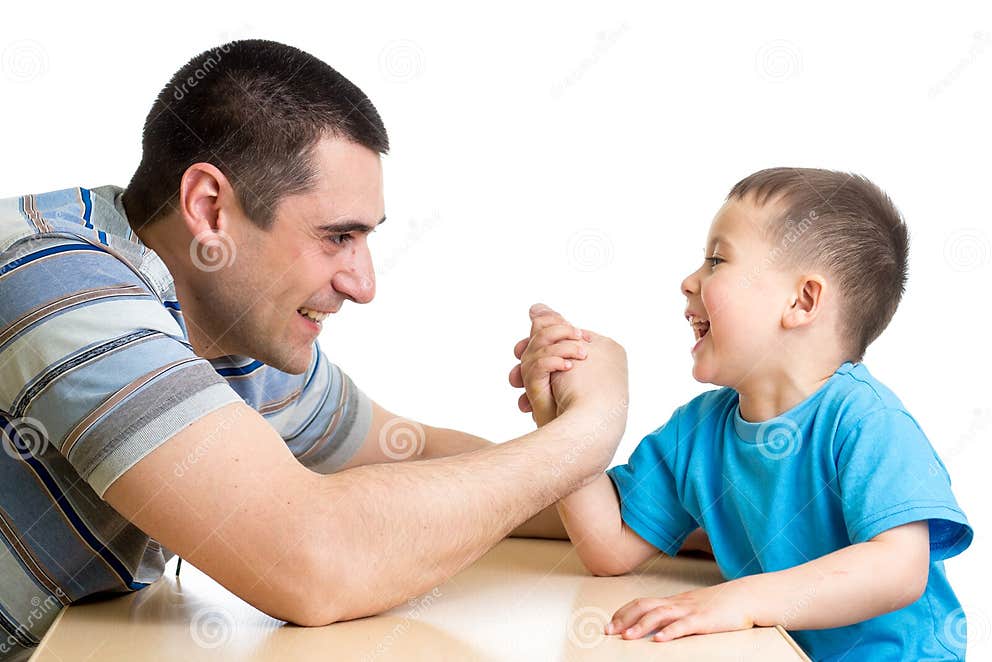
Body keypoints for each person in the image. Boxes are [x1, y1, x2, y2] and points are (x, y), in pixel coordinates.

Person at [0, 39, 644, 660]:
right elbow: (313, 560)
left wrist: (698, 518)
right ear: (209, 208)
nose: (362, 286)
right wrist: (586, 431)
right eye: (338, 237)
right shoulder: (57, 277)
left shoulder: (233, 327)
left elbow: (410, 458)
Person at [513, 168, 973, 660]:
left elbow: (898, 569)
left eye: (716, 259)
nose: (688, 281)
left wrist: (741, 600)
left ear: (802, 300)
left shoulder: (868, 421)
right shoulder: (698, 432)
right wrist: (565, 415)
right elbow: (609, 546)